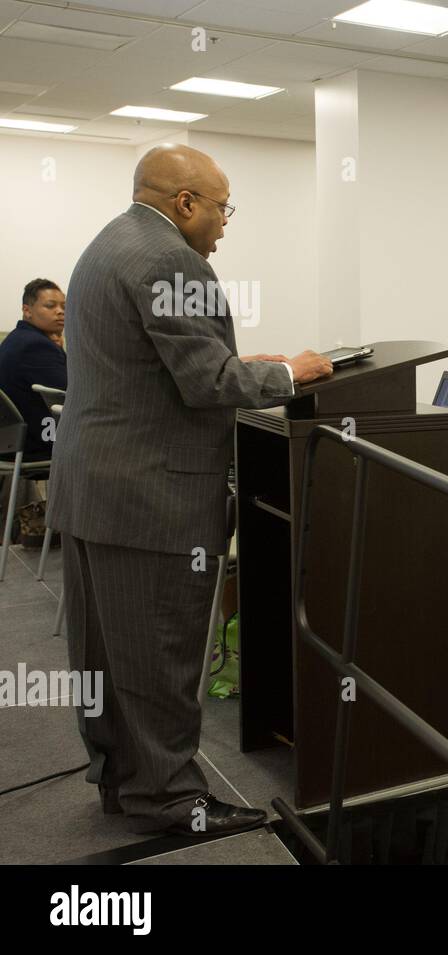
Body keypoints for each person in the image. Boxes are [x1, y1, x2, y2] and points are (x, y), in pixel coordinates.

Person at [48, 144, 333, 836]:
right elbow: (209, 384)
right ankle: (174, 799)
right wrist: (291, 375)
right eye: (221, 206)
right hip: (153, 499)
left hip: (95, 490)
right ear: (185, 203)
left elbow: (164, 363)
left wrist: (239, 362)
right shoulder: (172, 259)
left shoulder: (108, 243)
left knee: (107, 657)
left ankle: (124, 780)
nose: (226, 222)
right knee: (162, 654)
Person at [0, 279, 67, 461]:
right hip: (36, 444)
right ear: (27, 310)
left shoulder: (17, 339)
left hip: (11, 442)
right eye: (50, 306)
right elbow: (74, 392)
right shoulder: (35, 346)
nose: (60, 311)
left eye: (64, 306)